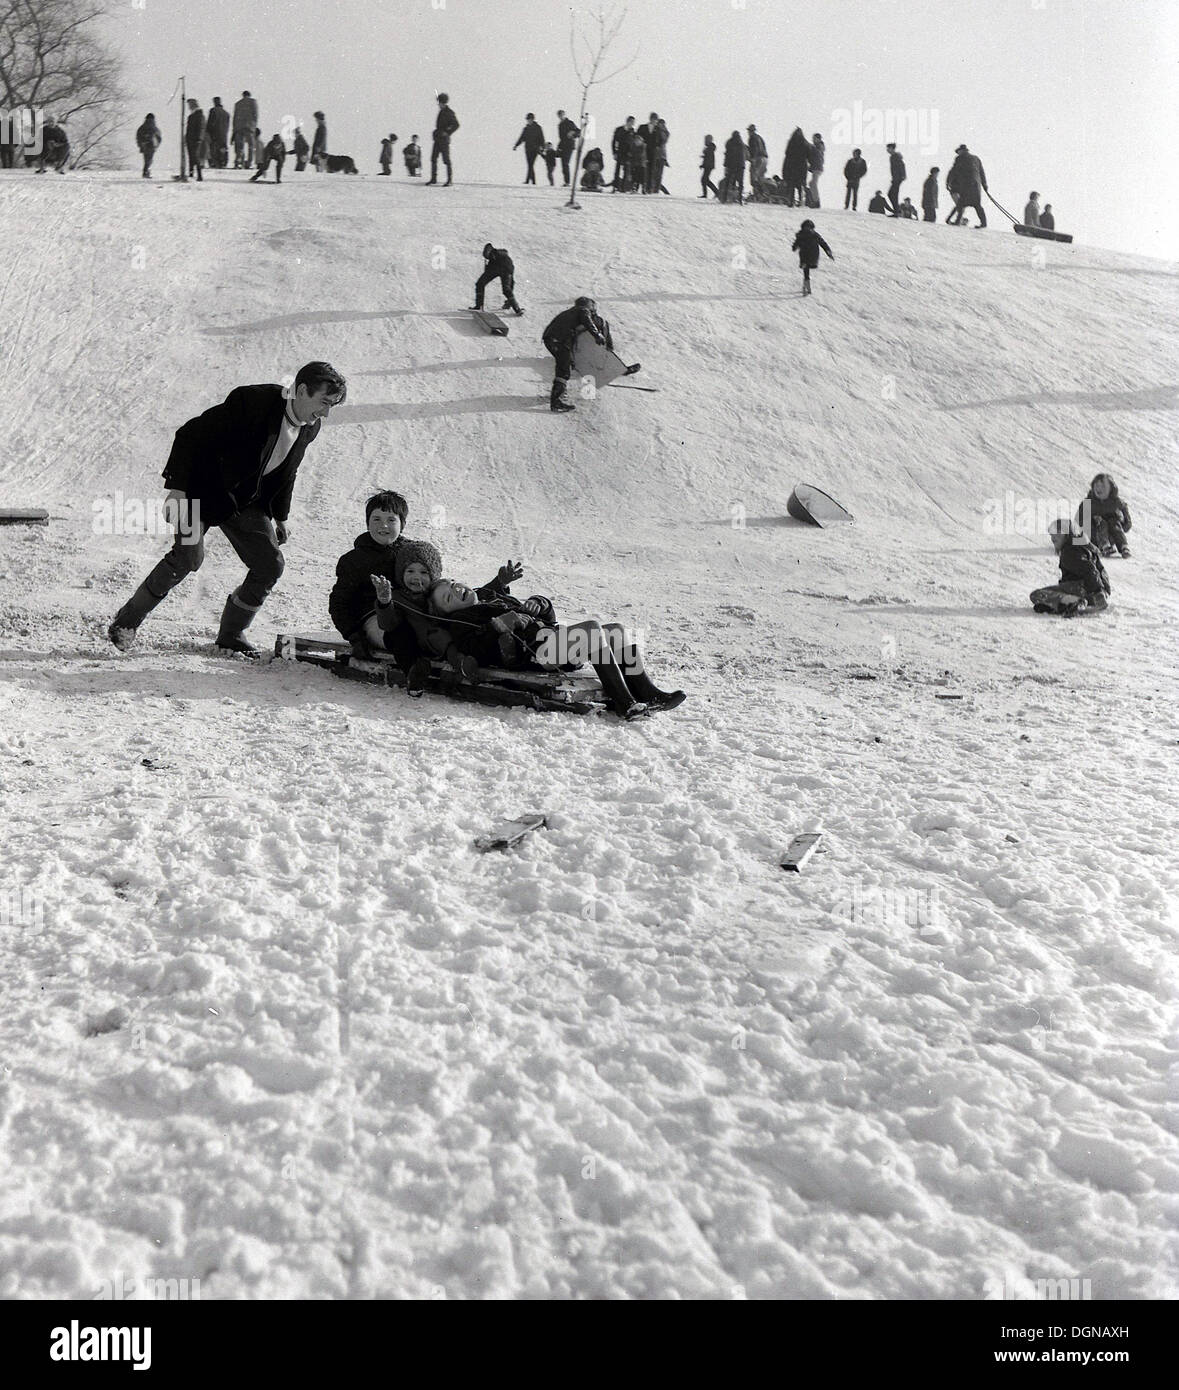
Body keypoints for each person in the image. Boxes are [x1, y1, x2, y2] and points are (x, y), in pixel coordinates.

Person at [107, 362, 347, 655]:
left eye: (331, 406)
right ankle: (126, 622)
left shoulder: (311, 427)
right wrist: (177, 490)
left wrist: (281, 516)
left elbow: (288, 471)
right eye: (323, 402)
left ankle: (231, 634)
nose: (325, 413)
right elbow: (190, 434)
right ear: (300, 390)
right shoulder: (253, 402)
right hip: (199, 490)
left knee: (270, 564)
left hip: (243, 500)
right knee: (187, 559)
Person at [381, 570, 685, 716]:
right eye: (448, 597)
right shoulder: (462, 623)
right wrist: (501, 625)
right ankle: (626, 704)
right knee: (593, 629)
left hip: (547, 638)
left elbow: (541, 614)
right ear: (445, 612)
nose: (457, 590)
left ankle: (648, 691)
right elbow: (476, 648)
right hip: (533, 654)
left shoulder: (491, 598)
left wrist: (539, 603)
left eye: (455, 584)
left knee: (616, 629)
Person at [360, 540, 523, 690]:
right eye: (410, 571)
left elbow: (474, 596)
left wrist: (500, 582)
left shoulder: (439, 590)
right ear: (400, 574)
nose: (417, 577)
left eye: (424, 572)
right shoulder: (398, 597)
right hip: (426, 638)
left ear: (433, 576)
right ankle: (459, 664)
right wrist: (385, 601)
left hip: (447, 632)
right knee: (443, 640)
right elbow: (389, 624)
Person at [542, 296, 636, 413]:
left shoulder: (571, 313)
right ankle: (556, 401)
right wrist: (597, 335)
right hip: (558, 340)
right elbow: (587, 321)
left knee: (563, 367)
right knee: (563, 370)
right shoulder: (582, 311)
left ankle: (558, 396)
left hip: (553, 339)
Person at [1032, 519, 1110, 615]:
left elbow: (1089, 568)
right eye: (1052, 535)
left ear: (1067, 535)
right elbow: (1100, 570)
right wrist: (1103, 590)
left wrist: (1098, 591)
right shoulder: (1084, 547)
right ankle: (1066, 605)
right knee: (1043, 604)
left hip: (1083, 588)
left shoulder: (1069, 550)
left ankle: (1074, 602)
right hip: (1092, 591)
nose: (1053, 539)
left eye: (1057, 535)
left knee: (1037, 594)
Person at [1075, 474, 1132, 558]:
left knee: (1114, 521)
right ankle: (1105, 547)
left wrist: (1124, 525)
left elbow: (1125, 513)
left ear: (1111, 489)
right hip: (1094, 536)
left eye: (1103, 486)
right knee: (1101, 522)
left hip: (1112, 535)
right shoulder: (1089, 502)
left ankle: (1123, 547)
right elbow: (1078, 520)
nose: (1099, 489)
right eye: (1097, 486)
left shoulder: (1116, 502)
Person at [472, 243, 524, 315]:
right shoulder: (495, 258)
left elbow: (508, 269)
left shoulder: (500, 256)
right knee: (481, 284)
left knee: (505, 289)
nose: (487, 258)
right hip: (501, 269)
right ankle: (516, 308)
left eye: (488, 256)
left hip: (504, 270)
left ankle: (516, 308)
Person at [946, 144, 987, 227]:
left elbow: (954, 171)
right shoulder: (976, 158)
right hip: (976, 185)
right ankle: (984, 223)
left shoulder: (959, 158)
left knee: (961, 204)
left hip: (966, 185)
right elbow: (982, 172)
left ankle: (957, 222)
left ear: (961, 151)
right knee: (977, 205)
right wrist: (984, 185)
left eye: (959, 152)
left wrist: (948, 182)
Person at [791, 219, 834, 295]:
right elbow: (823, 244)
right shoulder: (814, 235)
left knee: (806, 270)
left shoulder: (802, 235)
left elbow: (796, 244)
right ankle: (806, 287)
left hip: (806, 255)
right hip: (812, 256)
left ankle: (806, 287)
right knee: (806, 270)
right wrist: (828, 252)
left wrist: (794, 247)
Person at [427, 92, 458, 185]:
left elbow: (456, 125)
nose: (438, 105)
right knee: (433, 158)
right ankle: (433, 179)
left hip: (444, 140)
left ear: (443, 103)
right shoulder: (441, 112)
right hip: (437, 139)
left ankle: (449, 180)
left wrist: (447, 132)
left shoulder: (450, 113)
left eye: (439, 103)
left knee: (446, 160)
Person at [781, 127, 811, 207]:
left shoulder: (791, 142)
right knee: (800, 185)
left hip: (791, 165)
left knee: (791, 184)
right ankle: (801, 201)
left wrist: (784, 170)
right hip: (802, 166)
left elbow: (787, 154)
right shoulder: (805, 143)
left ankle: (791, 201)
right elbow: (809, 155)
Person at [513, 113, 545, 184]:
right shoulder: (526, 129)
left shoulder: (538, 128)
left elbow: (542, 138)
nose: (528, 120)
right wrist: (516, 145)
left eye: (529, 119)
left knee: (531, 164)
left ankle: (529, 181)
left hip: (535, 149)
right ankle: (532, 181)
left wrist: (542, 148)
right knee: (530, 165)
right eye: (527, 119)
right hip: (528, 149)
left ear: (532, 119)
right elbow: (522, 138)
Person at [232, 91, 258, 168]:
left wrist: (234, 129)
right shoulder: (253, 102)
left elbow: (234, 117)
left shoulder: (237, 103)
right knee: (251, 145)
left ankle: (239, 161)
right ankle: (249, 163)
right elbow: (255, 115)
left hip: (238, 127)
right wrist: (254, 126)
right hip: (249, 127)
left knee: (240, 146)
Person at [612, 116, 636, 191]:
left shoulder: (633, 131)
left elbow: (633, 143)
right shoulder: (619, 130)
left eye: (633, 122)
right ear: (628, 121)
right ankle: (615, 186)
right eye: (631, 122)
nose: (632, 124)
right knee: (617, 170)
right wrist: (614, 152)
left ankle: (623, 188)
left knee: (626, 170)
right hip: (620, 152)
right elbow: (614, 141)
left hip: (628, 153)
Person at [184, 98, 206, 181]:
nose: (189, 107)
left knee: (195, 156)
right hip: (191, 139)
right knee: (191, 156)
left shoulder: (199, 116)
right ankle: (191, 173)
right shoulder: (192, 116)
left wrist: (199, 138)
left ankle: (199, 175)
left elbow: (201, 128)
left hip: (196, 139)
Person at [723, 130, 746, 204]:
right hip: (741, 165)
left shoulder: (729, 142)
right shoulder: (742, 144)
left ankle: (725, 198)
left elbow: (728, 155)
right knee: (740, 182)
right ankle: (739, 198)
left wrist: (726, 166)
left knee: (729, 181)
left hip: (732, 164)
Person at [557, 109, 580, 185]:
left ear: (564, 115)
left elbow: (578, 132)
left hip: (569, 146)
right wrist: (559, 146)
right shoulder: (560, 125)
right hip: (563, 145)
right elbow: (561, 138)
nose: (560, 116)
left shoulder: (569, 123)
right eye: (559, 115)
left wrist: (572, 133)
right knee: (563, 164)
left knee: (566, 163)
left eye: (562, 115)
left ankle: (567, 182)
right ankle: (566, 181)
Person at [205, 98, 229, 168]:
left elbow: (210, 123)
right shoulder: (226, 113)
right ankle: (223, 162)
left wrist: (207, 132)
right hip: (224, 134)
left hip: (214, 134)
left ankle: (214, 163)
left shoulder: (213, 110)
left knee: (213, 149)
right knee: (223, 149)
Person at [136, 113, 162, 179]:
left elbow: (138, 136)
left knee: (146, 159)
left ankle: (146, 172)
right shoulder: (154, 127)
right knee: (149, 159)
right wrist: (157, 144)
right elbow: (159, 137)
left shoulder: (142, 127)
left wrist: (140, 144)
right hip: (152, 144)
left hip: (144, 145)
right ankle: (146, 172)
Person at [747, 124, 768, 197]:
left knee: (753, 178)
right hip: (765, 158)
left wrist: (753, 159)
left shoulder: (752, 138)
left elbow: (754, 149)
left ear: (750, 131)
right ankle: (764, 193)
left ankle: (760, 193)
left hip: (757, 158)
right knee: (760, 177)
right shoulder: (760, 137)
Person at [650, 119, 670, 194]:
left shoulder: (664, 132)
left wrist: (661, 130)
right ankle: (654, 189)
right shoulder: (656, 131)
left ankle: (656, 190)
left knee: (658, 175)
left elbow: (663, 140)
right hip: (656, 155)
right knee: (654, 174)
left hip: (661, 156)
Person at [886, 142, 906, 215]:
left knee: (892, 194)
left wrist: (902, 176)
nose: (887, 150)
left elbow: (902, 166)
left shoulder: (896, 156)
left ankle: (897, 211)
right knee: (892, 194)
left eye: (888, 148)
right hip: (896, 178)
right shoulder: (893, 157)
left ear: (892, 148)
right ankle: (897, 210)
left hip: (897, 178)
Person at [807, 132, 825, 207]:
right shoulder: (818, 146)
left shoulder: (819, 146)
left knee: (813, 183)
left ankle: (816, 202)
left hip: (817, 167)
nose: (813, 140)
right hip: (817, 167)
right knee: (812, 183)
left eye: (814, 138)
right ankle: (815, 200)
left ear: (818, 139)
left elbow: (816, 154)